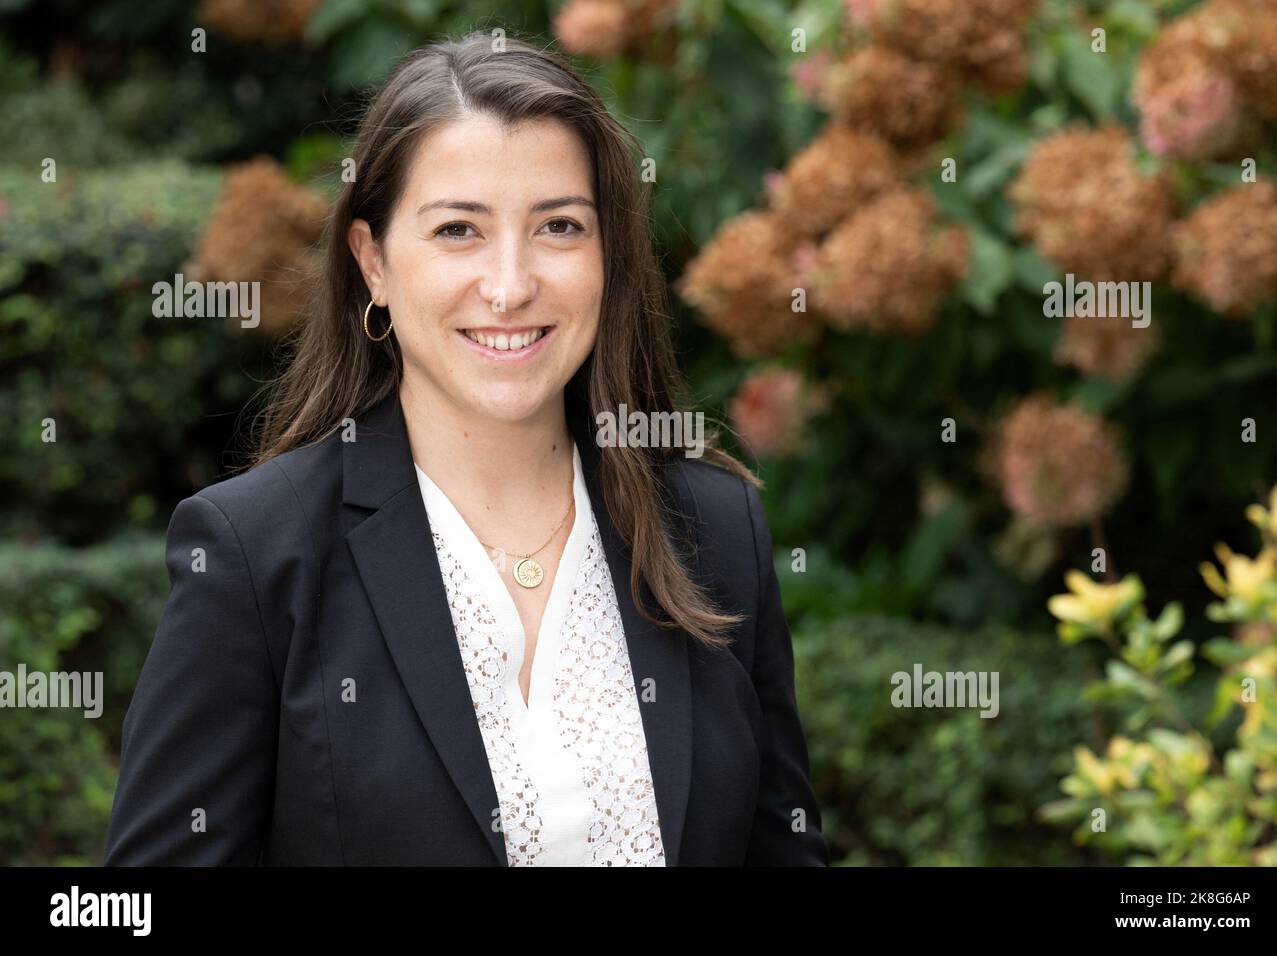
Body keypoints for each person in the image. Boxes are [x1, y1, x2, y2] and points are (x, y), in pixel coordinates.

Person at [103, 30, 827, 866]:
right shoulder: (254, 555)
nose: (511, 285)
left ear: (608, 255)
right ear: (373, 261)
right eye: (458, 231)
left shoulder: (716, 527)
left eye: (559, 226)